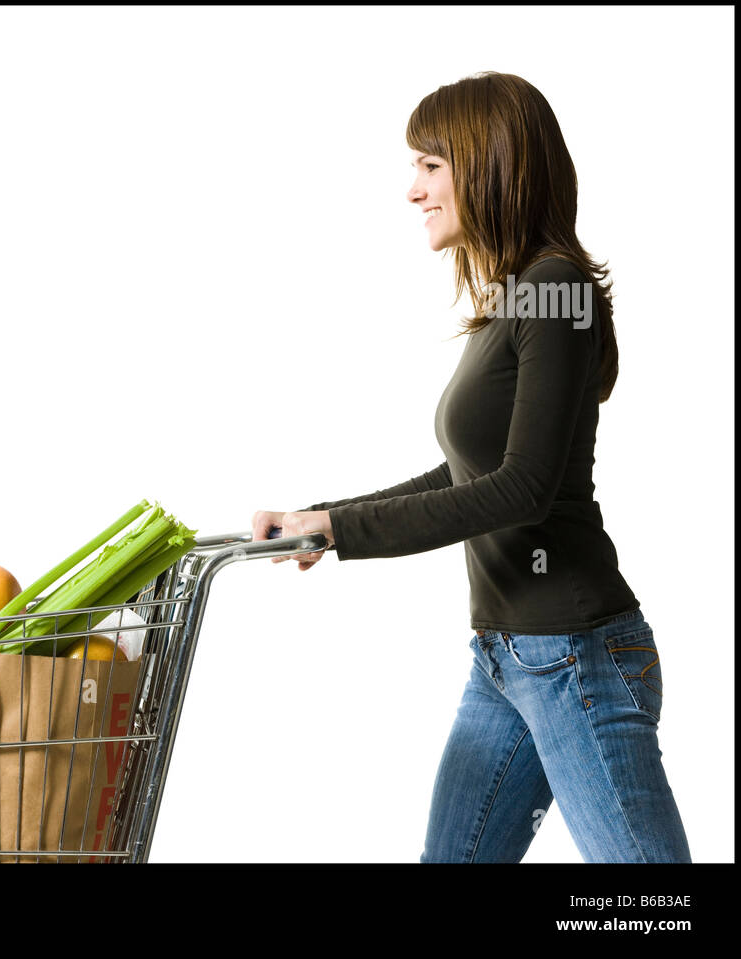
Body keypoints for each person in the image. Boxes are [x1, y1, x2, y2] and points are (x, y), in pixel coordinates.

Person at [252, 72, 691, 863]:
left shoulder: (556, 290)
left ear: (487, 165)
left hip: (575, 655)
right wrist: (323, 519)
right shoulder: (519, 296)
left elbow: (521, 488)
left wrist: (344, 531)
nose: (412, 190)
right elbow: (465, 470)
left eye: (430, 164)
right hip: (506, 659)